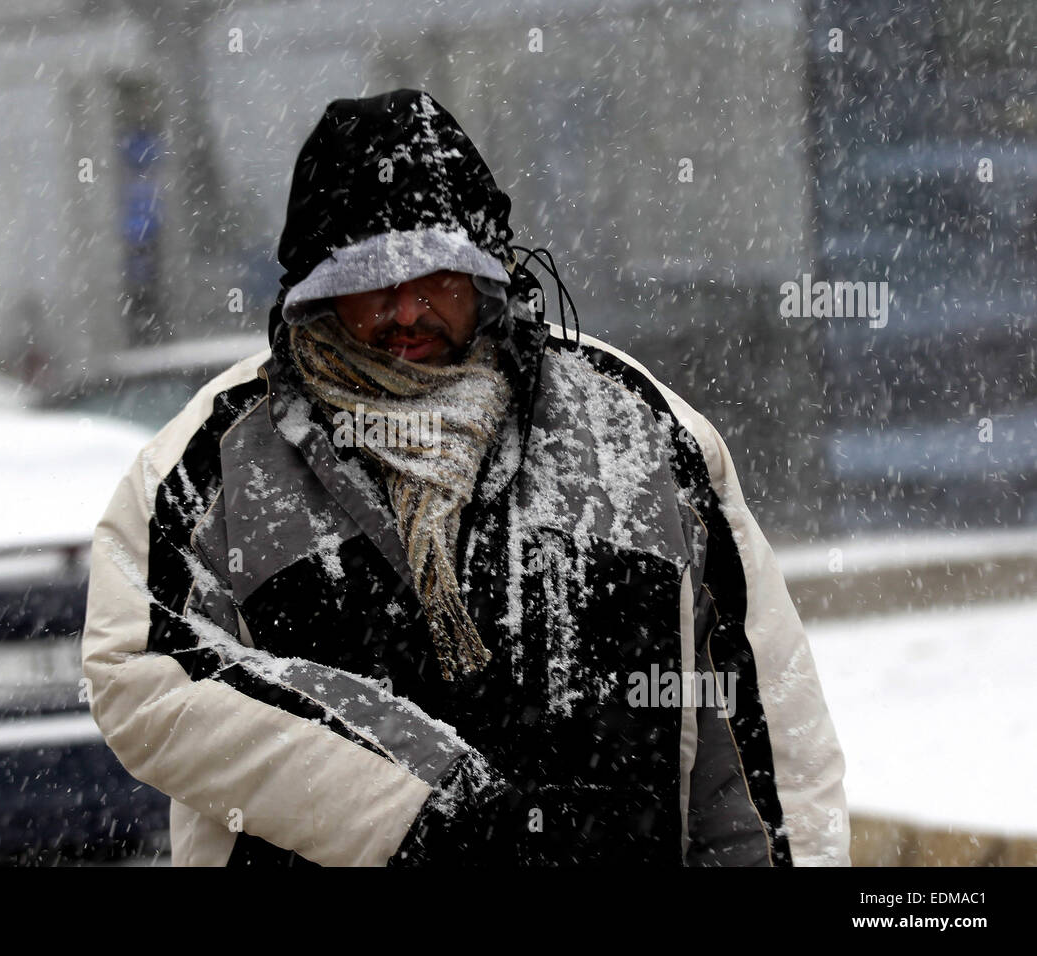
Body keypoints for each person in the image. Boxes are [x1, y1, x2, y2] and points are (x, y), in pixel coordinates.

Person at [81, 88, 849, 867]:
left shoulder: (636, 433)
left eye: (435, 274)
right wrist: (427, 809)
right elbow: (136, 670)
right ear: (314, 289)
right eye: (369, 276)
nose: (406, 308)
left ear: (485, 276)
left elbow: (759, 739)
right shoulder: (216, 464)